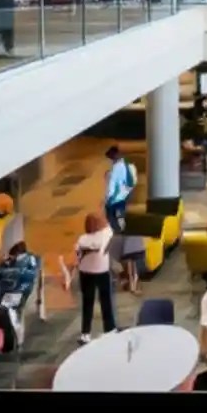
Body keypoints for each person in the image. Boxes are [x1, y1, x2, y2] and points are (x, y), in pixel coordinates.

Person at [65, 213, 116, 344]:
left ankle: (85, 333)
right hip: (102, 272)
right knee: (106, 301)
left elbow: (78, 252)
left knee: (87, 303)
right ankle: (110, 330)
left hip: (86, 273)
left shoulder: (83, 239)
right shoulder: (107, 233)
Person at [102, 145, 136, 232]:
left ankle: (118, 231)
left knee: (113, 219)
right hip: (123, 196)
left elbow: (112, 186)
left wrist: (107, 199)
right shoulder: (128, 166)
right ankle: (121, 230)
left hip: (115, 199)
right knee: (120, 217)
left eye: (111, 157)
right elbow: (132, 182)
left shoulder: (116, 168)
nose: (111, 160)